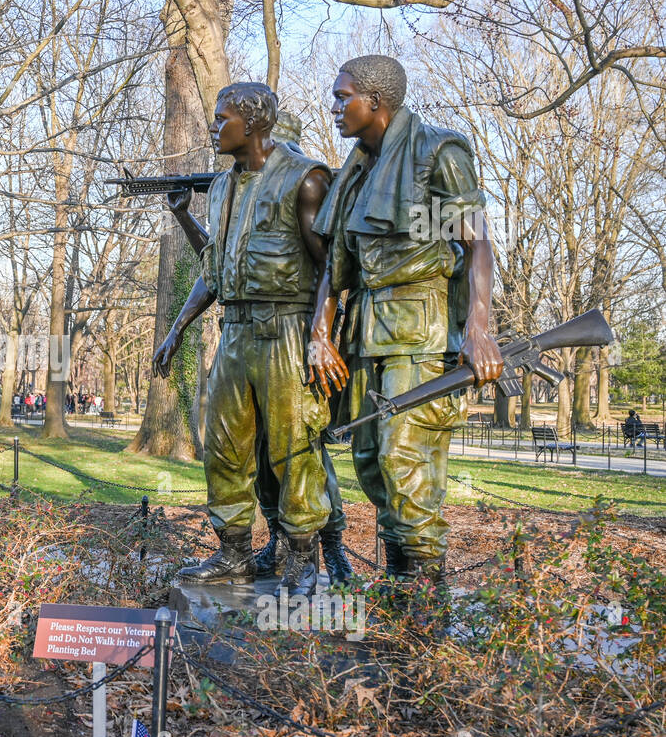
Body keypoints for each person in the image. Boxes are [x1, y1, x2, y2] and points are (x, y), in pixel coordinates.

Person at [308, 55, 503, 588]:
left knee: (404, 458)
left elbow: (477, 241)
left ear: (376, 101)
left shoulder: (437, 151)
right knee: (372, 461)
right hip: (368, 331)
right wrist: (319, 333)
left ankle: (422, 603)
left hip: (423, 327)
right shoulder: (355, 171)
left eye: (343, 96)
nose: (334, 107)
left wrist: (479, 326)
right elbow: (336, 267)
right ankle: (400, 586)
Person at [154, 81, 335, 595]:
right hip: (234, 331)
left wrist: (322, 334)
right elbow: (213, 268)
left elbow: (331, 265)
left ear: (254, 122)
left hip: (286, 330)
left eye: (221, 118)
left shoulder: (305, 180)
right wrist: (177, 328)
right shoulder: (222, 188)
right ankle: (232, 551)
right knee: (225, 447)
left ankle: (302, 555)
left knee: (294, 445)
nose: (213, 127)